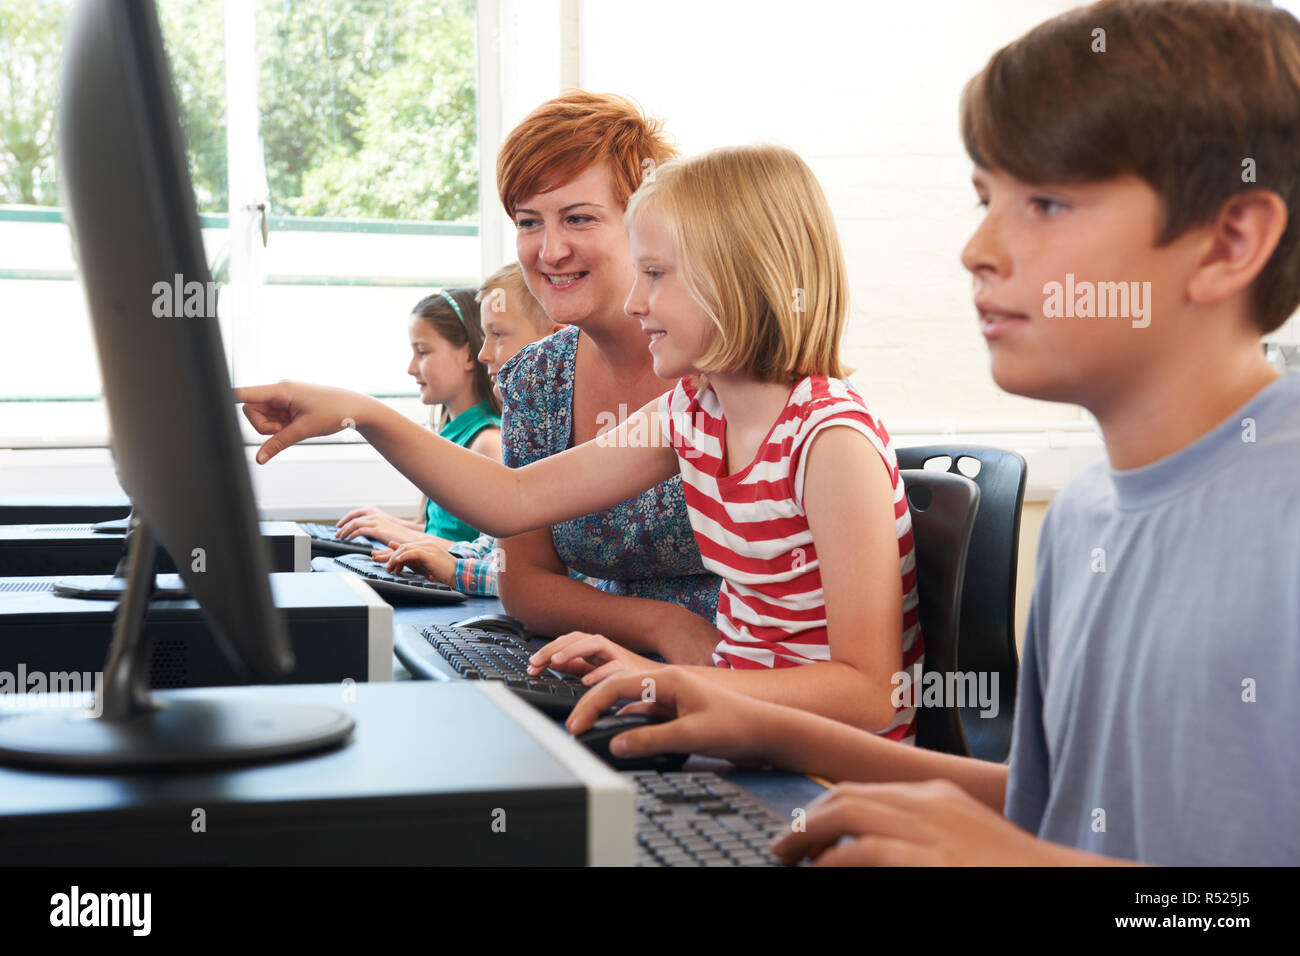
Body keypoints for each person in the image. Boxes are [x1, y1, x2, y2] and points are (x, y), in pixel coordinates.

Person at [561, 0, 1300, 866]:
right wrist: (753, 718)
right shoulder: (1089, 516)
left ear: (1228, 242)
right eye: (988, 199)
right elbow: (1056, 805)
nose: (977, 248)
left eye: (1048, 203)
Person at [237, 144, 921, 735]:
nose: (634, 301)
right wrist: (363, 413)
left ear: (739, 281)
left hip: (831, 776)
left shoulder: (830, 443)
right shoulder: (695, 411)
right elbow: (513, 498)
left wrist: (678, 685)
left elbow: (867, 694)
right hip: (740, 725)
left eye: (655, 275)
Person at [489, 91, 721, 660]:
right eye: (528, 222)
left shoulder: (726, 366)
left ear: (645, 222)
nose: (549, 250)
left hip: (737, 675)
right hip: (601, 661)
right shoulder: (537, 379)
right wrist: (660, 624)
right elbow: (522, 579)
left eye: (579, 219)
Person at [372, 263, 570, 596]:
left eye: (498, 335)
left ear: (556, 339)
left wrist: (449, 565)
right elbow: (490, 546)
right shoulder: (526, 437)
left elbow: (534, 572)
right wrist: (435, 554)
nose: (484, 354)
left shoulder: (492, 441)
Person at [334, 288, 500, 547]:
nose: (411, 368)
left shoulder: (488, 442)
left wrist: (405, 536)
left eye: (422, 352)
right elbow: (449, 534)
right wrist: (391, 525)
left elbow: (486, 557)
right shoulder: (454, 434)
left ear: (469, 355)